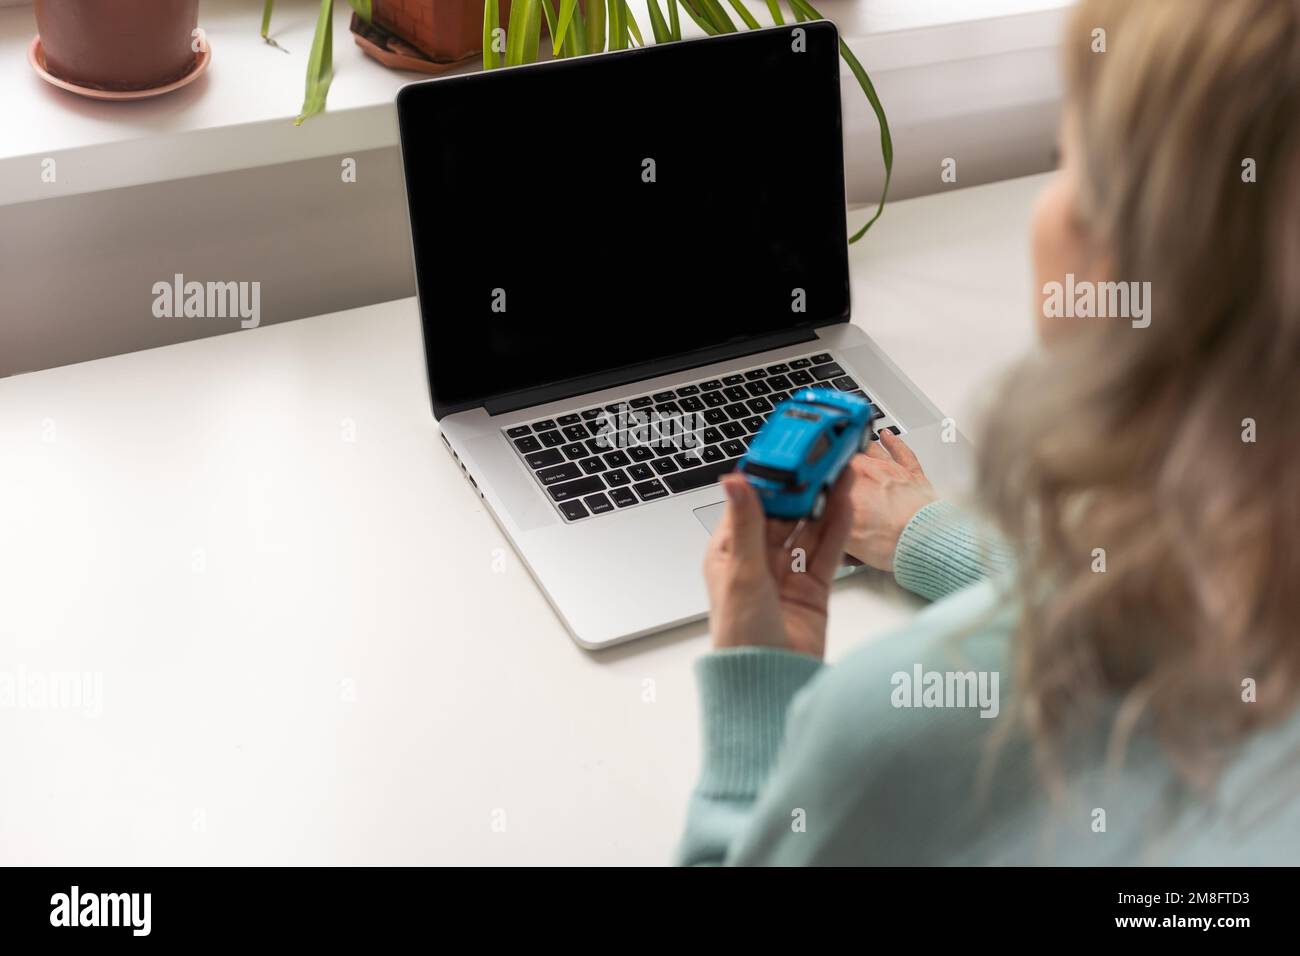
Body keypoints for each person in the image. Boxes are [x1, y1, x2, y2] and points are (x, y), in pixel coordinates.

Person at [677, 0, 1300, 865]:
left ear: (1115, 260)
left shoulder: (901, 732)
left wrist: (757, 684)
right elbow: (1178, 606)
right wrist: (932, 536)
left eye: (1066, 159)